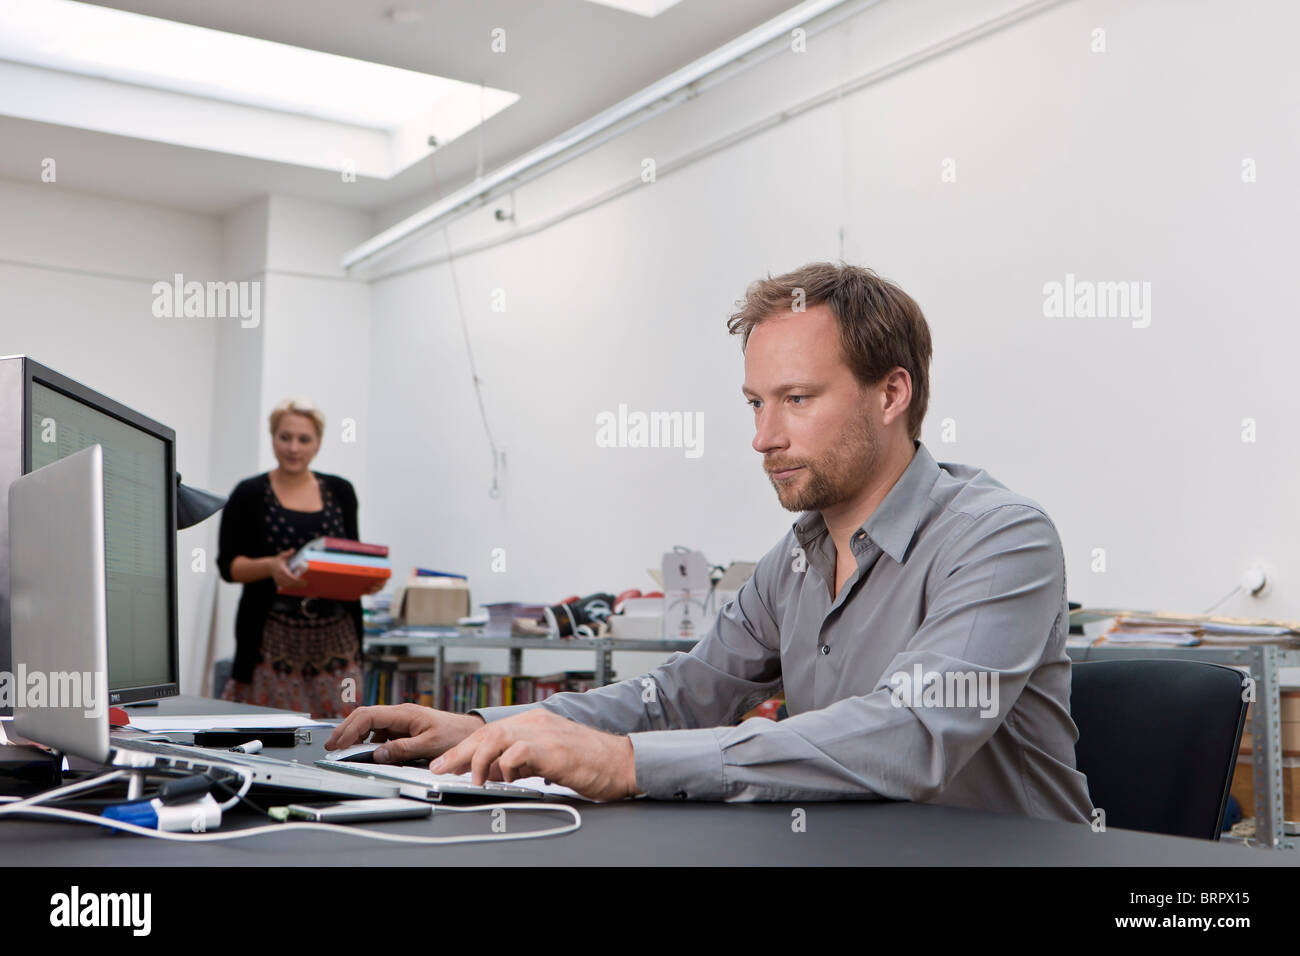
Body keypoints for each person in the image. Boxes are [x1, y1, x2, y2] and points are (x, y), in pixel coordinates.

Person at [326, 262, 1096, 823]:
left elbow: (910, 730)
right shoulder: (796, 559)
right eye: (756, 403)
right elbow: (682, 695)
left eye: (797, 399)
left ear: (892, 393)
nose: (763, 437)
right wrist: (505, 733)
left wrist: (624, 763)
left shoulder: (1000, 538)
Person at [217, 397, 381, 718]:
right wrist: (269, 566)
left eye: (303, 439)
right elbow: (229, 566)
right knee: (269, 730)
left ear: (318, 443)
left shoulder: (341, 492)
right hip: (270, 641)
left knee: (343, 727)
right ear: (272, 438)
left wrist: (365, 580)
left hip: (337, 642)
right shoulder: (248, 494)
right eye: (285, 437)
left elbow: (350, 554)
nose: (293, 447)